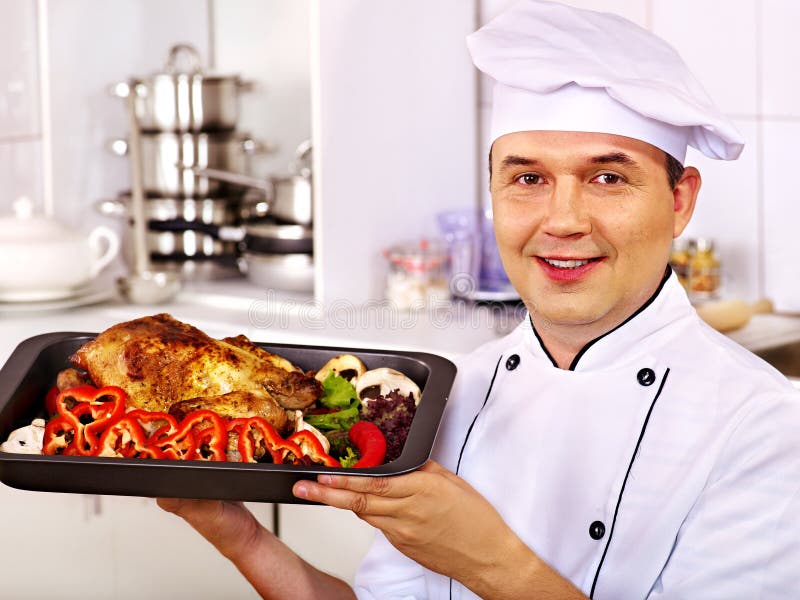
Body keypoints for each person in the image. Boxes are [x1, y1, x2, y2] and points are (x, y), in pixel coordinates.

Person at [158, 1, 800, 598]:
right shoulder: (459, 388)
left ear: (681, 199)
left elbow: (475, 563)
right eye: (528, 178)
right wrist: (237, 535)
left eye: (607, 177)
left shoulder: (762, 428)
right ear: (493, 190)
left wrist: (487, 560)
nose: (564, 220)